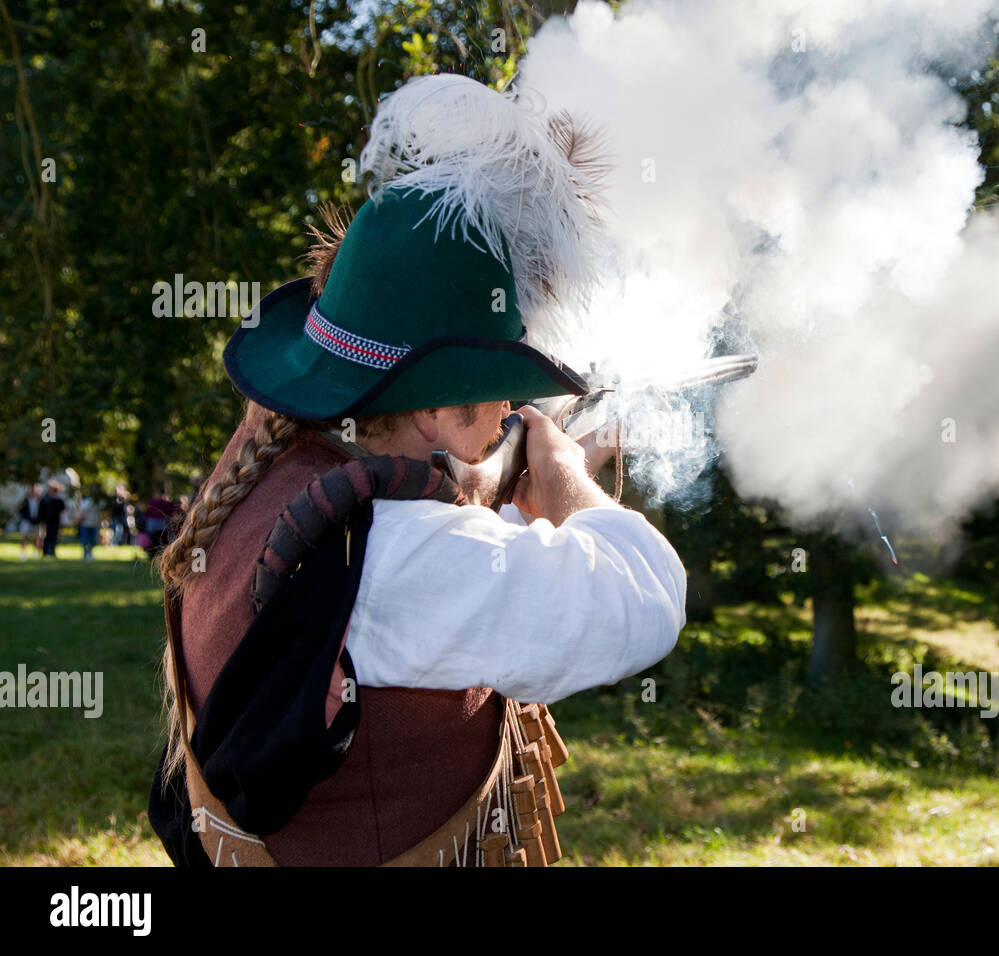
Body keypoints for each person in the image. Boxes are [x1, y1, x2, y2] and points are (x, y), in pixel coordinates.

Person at [148, 74, 685, 868]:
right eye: (498, 373)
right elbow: (646, 597)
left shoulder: (281, 461)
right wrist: (568, 475)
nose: (513, 397)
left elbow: (429, 580)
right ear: (433, 409)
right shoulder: (396, 554)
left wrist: (531, 487)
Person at [38, 481, 66, 558]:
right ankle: (45, 552)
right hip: (46, 521)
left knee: (54, 537)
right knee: (45, 536)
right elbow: (41, 511)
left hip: (55, 521)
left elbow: (63, 509)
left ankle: (52, 551)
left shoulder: (58, 499)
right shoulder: (45, 499)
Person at [17, 483, 43, 560]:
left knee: (38, 537)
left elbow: (43, 512)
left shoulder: (41, 501)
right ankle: (23, 553)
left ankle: (37, 553)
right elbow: (22, 511)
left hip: (37, 522)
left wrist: (38, 520)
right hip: (27, 521)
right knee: (25, 536)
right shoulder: (26, 501)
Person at [74, 495, 101, 560]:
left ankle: (89, 553)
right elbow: (82, 515)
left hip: (93, 525)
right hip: (85, 525)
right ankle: (86, 554)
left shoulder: (97, 504)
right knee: (84, 541)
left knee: (93, 541)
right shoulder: (85, 503)